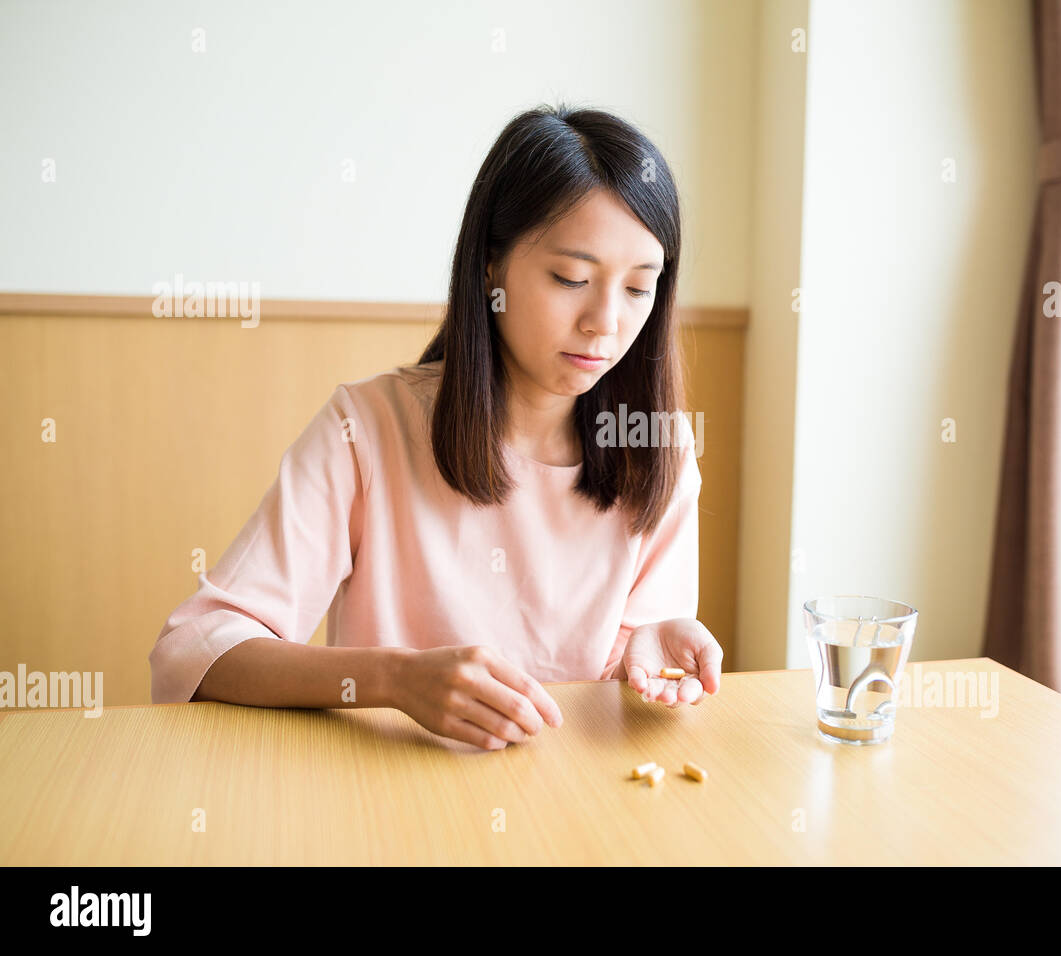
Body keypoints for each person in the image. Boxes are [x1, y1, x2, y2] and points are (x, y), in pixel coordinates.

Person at [148, 103, 723, 751]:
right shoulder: (365, 429)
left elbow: (621, 687)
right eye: (572, 278)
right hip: (390, 808)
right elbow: (195, 650)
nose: (605, 322)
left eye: (638, 289)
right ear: (490, 268)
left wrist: (643, 655)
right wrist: (395, 678)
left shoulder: (657, 453)